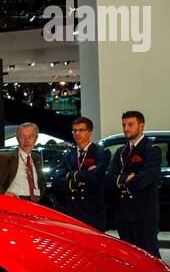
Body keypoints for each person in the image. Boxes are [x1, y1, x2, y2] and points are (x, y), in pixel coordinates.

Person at [108, 109, 161, 257]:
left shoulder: (152, 149)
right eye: (124, 125)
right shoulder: (120, 151)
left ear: (141, 126)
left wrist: (122, 179)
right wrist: (127, 178)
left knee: (149, 255)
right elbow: (110, 178)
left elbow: (144, 180)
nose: (126, 129)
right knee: (129, 256)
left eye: (130, 124)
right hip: (123, 213)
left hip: (143, 214)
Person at [60, 116, 109, 232]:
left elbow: (96, 177)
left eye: (81, 130)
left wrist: (71, 175)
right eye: (75, 130)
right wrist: (84, 174)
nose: (77, 133)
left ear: (90, 132)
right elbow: (57, 178)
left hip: (92, 211)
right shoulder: (69, 154)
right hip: (72, 211)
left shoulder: (101, 152)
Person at [0, 122, 45, 200]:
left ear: (36, 138)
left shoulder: (36, 158)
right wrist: (2, 193)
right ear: (17, 138)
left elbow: (41, 180)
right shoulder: (5, 157)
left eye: (31, 136)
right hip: (14, 201)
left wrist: (39, 196)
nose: (27, 140)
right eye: (22, 136)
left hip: (34, 203)